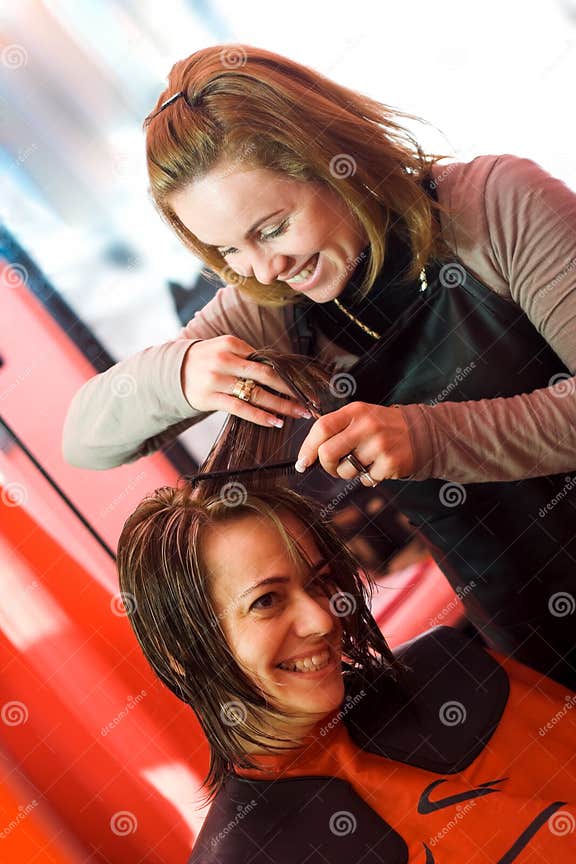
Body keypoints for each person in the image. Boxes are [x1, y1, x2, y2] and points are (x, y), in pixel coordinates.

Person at [63, 44, 576, 687]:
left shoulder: (496, 206)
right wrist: (182, 371)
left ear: (339, 164)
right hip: (533, 636)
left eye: (273, 228)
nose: (261, 268)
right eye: (228, 248)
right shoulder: (270, 311)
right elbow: (85, 440)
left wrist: (428, 438)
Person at [117, 477, 576, 863]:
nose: (322, 619)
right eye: (267, 601)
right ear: (183, 651)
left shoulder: (453, 672)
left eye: (319, 582)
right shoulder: (243, 854)